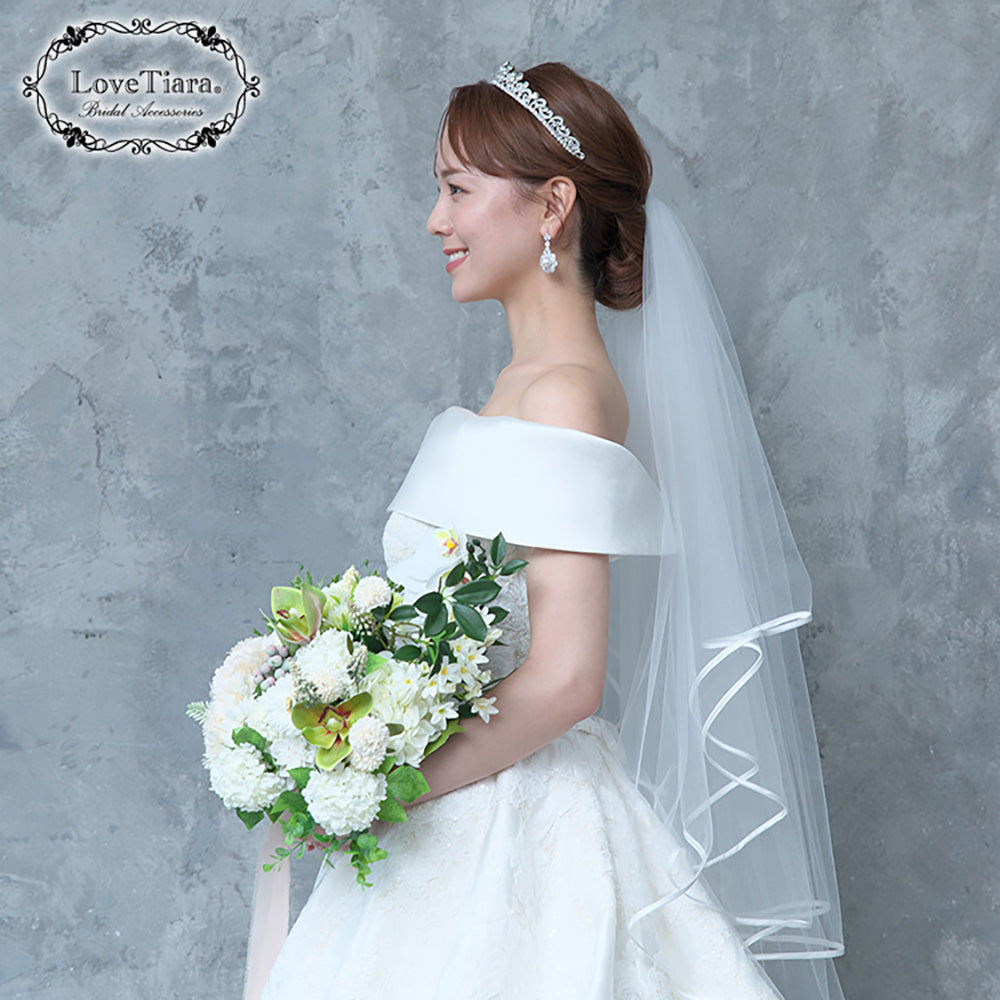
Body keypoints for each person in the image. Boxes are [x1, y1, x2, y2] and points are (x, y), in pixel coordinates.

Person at [253, 61, 845, 1000]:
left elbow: (569, 675)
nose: (436, 221)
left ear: (552, 205)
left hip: (511, 815)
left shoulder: (565, 394)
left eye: (457, 189)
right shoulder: (520, 389)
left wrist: (376, 788)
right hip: (469, 794)